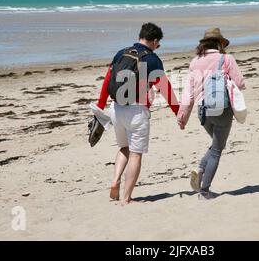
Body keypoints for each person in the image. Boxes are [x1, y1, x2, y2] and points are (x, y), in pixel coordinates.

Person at [96, 23, 180, 205]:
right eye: (158, 44)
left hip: (116, 108)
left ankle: (115, 180)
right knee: (135, 154)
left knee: (123, 148)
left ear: (140, 36)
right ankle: (126, 198)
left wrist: (100, 106)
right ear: (155, 41)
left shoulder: (121, 53)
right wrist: (178, 112)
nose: (158, 47)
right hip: (137, 111)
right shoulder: (153, 60)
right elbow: (165, 88)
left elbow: (107, 80)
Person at [177, 28, 246, 200]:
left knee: (216, 145)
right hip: (221, 109)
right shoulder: (226, 59)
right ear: (219, 43)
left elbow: (188, 93)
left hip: (202, 112)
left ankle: (201, 169)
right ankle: (204, 190)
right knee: (217, 150)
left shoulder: (194, 62)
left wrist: (182, 116)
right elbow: (240, 82)